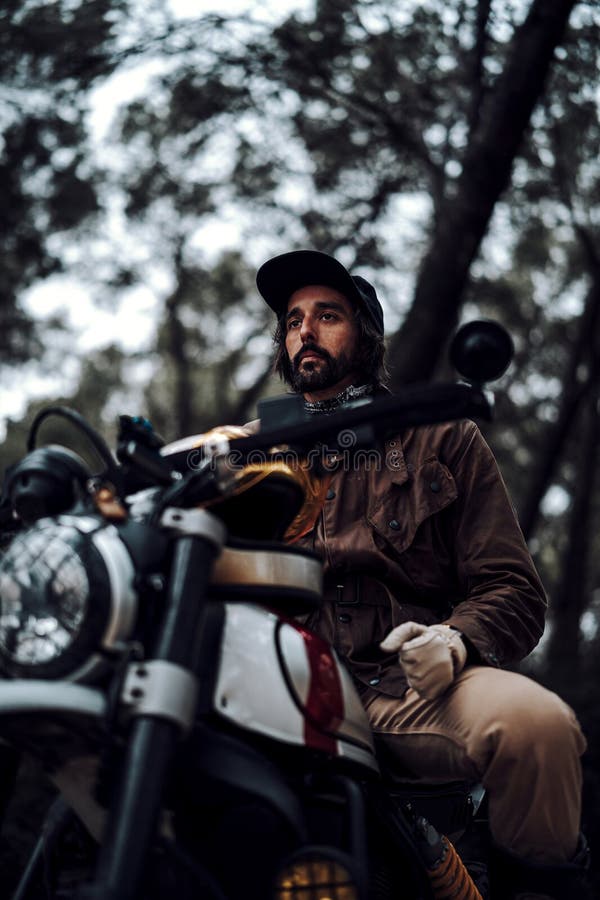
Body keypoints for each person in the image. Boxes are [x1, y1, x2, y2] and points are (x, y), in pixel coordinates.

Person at [253, 248, 589, 899]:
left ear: (366, 335)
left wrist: (457, 639)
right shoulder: (247, 455)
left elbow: (515, 591)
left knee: (536, 728)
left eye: (327, 315)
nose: (305, 332)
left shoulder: (444, 439)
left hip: (397, 690)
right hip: (275, 688)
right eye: (293, 320)